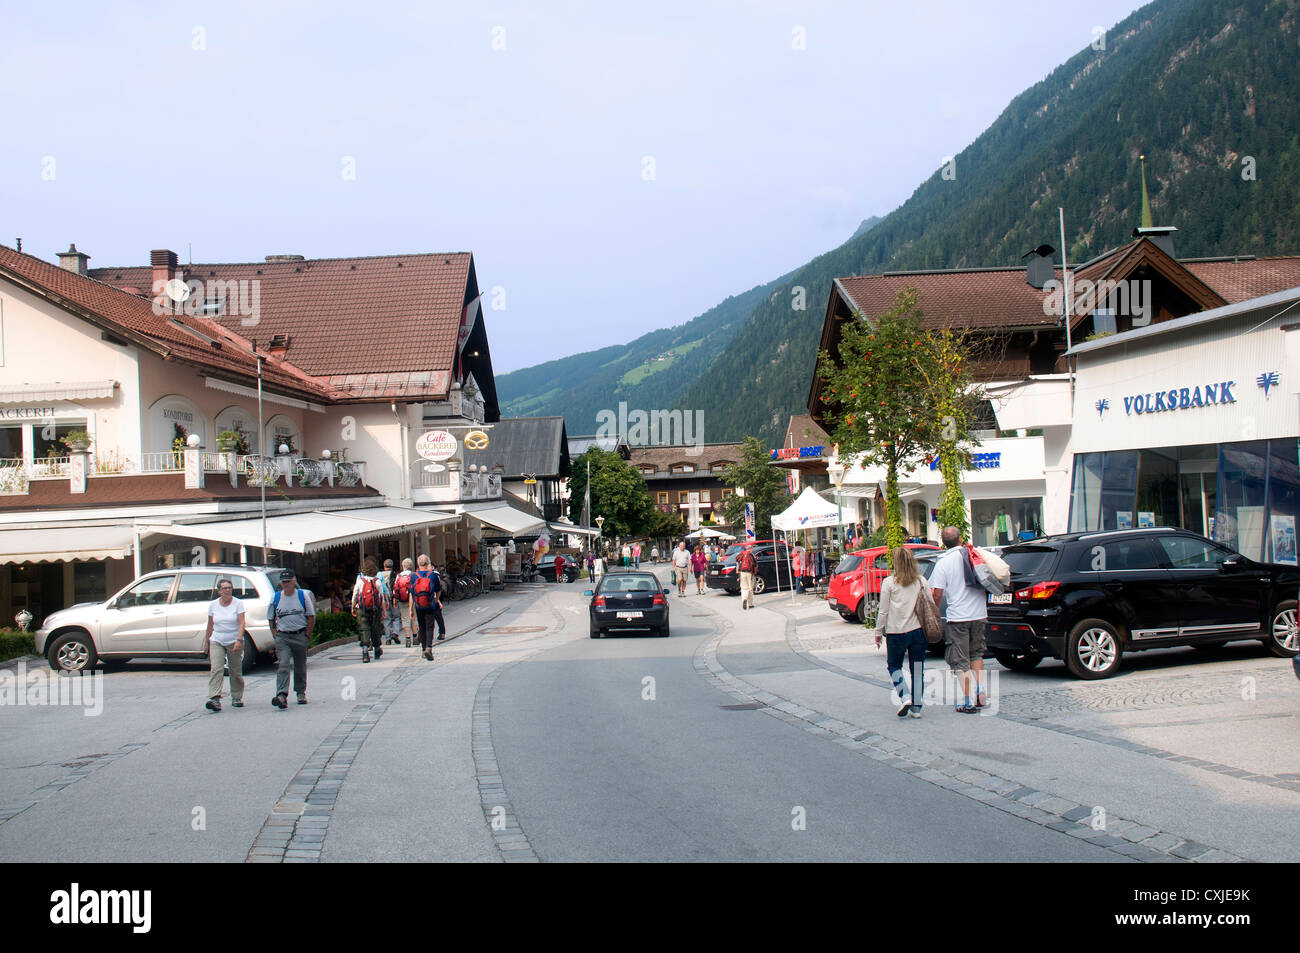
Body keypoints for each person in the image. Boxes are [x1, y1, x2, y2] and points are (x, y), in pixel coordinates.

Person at [928, 526, 988, 714]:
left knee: (960, 659)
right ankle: (980, 691)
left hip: (958, 617)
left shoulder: (943, 562)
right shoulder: (973, 555)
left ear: (943, 543)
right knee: (976, 653)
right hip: (979, 613)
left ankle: (968, 701)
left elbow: (937, 593)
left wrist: (934, 613)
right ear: (960, 539)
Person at [872, 547, 930, 718]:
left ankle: (904, 696)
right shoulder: (921, 581)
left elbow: (883, 611)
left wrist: (877, 631)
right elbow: (930, 604)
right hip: (918, 631)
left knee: (894, 666)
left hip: (896, 632)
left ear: (895, 563)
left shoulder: (889, 583)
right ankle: (917, 707)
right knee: (917, 668)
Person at [268, 569, 315, 709]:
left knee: (300, 665)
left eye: (289, 581)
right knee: (283, 664)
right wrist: (276, 636)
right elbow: (271, 619)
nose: (286, 584)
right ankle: (281, 695)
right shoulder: (276, 598)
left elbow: (311, 617)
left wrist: (307, 635)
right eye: (284, 581)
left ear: (294, 581)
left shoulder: (302, 596)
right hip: (283, 636)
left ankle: (301, 692)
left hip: (299, 634)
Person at [203, 577, 246, 712]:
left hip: (234, 640)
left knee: (235, 671)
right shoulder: (213, 605)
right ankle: (214, 698)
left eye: (229, 588)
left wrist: (239, 640)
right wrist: (207, 643)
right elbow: (210, 625)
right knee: (216, 669)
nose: (227, 590)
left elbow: (241, 622)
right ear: (219, 591)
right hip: (217, 640)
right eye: (224, 588)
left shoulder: (238, 604)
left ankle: (237, 697)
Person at [409, 554, 445, 660]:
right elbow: (438, 589)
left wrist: (410, 608)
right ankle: (429, 647)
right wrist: (436, 599)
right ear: (428, 563)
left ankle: (423, 649)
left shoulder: (413, 576)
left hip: (419, 605)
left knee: (422, 627)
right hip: (430, 605)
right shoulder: (432, 575)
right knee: (430, 627)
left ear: (418, 563)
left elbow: (411, 593)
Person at [353, 557, 388, 663]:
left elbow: (355, 594)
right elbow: (381, 597)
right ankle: (377, 649)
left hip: (362, 608)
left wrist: (353, 606)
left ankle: (365, 652)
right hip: (375, 609)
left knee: (364, 629)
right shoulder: (377, 582)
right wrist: (384, 610)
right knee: (375, 628)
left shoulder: (360, 581)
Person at [393, 557, 414, 646]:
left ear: (403, 566)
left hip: (402, 599)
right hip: (412, 599)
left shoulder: (399, 575)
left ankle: (408, 638)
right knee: (414, 617)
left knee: (405, 618)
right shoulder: (413, 575)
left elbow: (395, 588)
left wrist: (395, 599)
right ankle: (416, 636)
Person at [737, 545, 757, 609]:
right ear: (750, 549)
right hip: (749, 573)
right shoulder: (751, 555)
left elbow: (737, 562)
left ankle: (744, 599)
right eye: (752, 549)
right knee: (750, 587)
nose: (752, 550)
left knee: (743, 587)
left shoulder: (741, 554)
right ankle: (750, 604)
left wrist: (738, 572)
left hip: (742, 572)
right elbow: (755, 564)